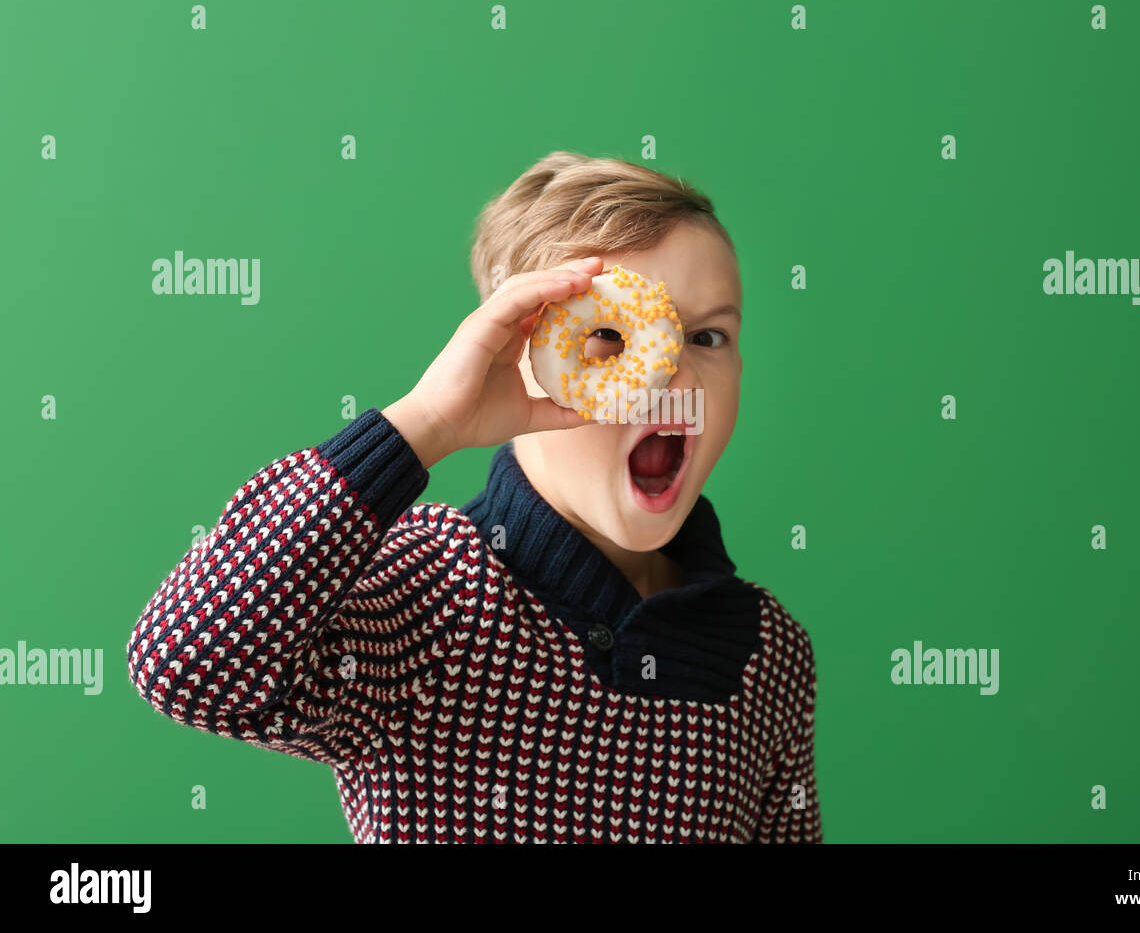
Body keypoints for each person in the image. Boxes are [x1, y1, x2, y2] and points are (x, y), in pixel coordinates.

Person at [125, 151, 822, 843]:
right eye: (611, 336)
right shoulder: (434, 592)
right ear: (515, 354)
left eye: (707, 336)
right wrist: (425, 424)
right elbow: (186, 666)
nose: (672, 376)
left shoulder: (768, 651)